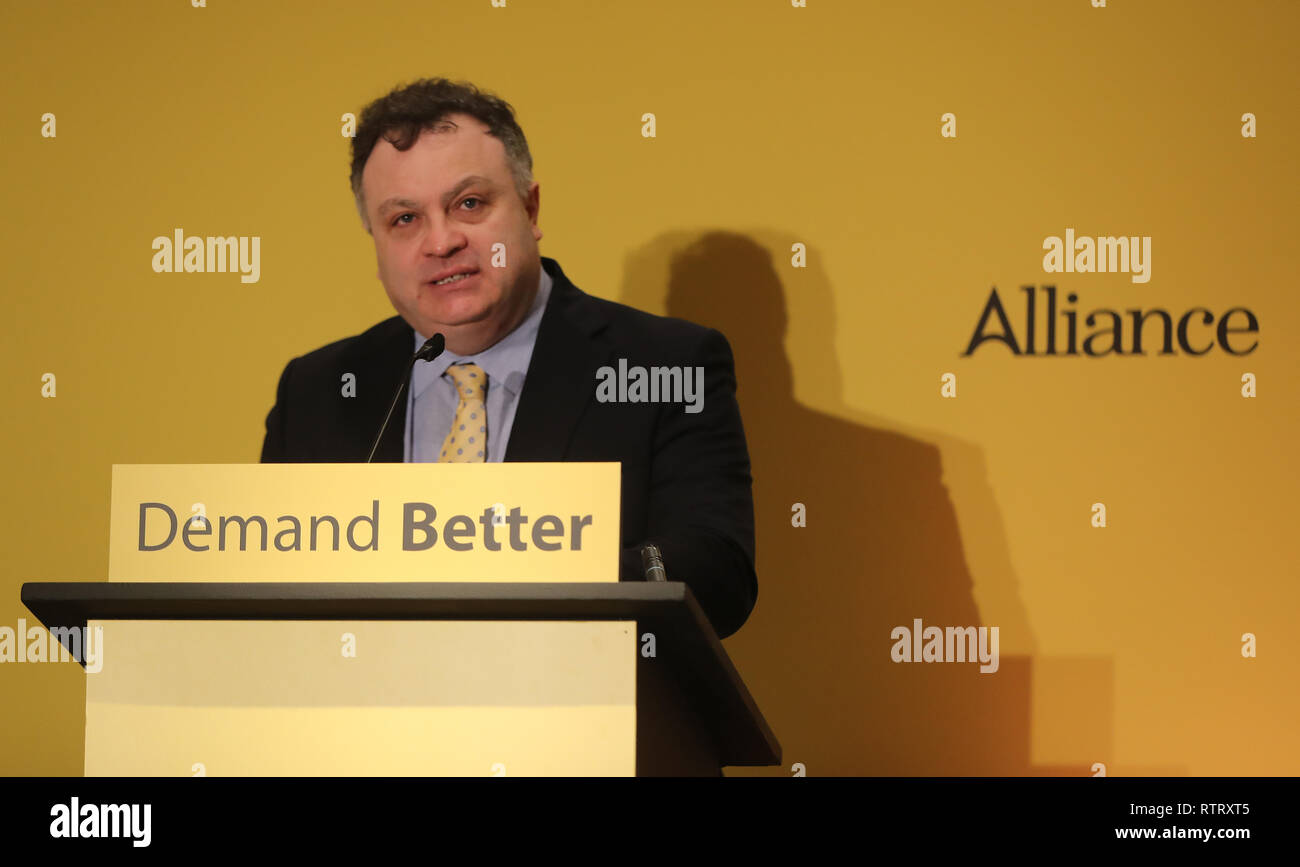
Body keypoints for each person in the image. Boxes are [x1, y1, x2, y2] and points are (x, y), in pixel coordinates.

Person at [260, 78, 756, 638]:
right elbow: (272, 595)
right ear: (376, 242)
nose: (441, 242)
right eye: (405, 219)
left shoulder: (665, 365)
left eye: (469, 203)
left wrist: (520, 576)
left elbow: (719, 576)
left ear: (529, 206)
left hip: (580, 713)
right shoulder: (317, 390)